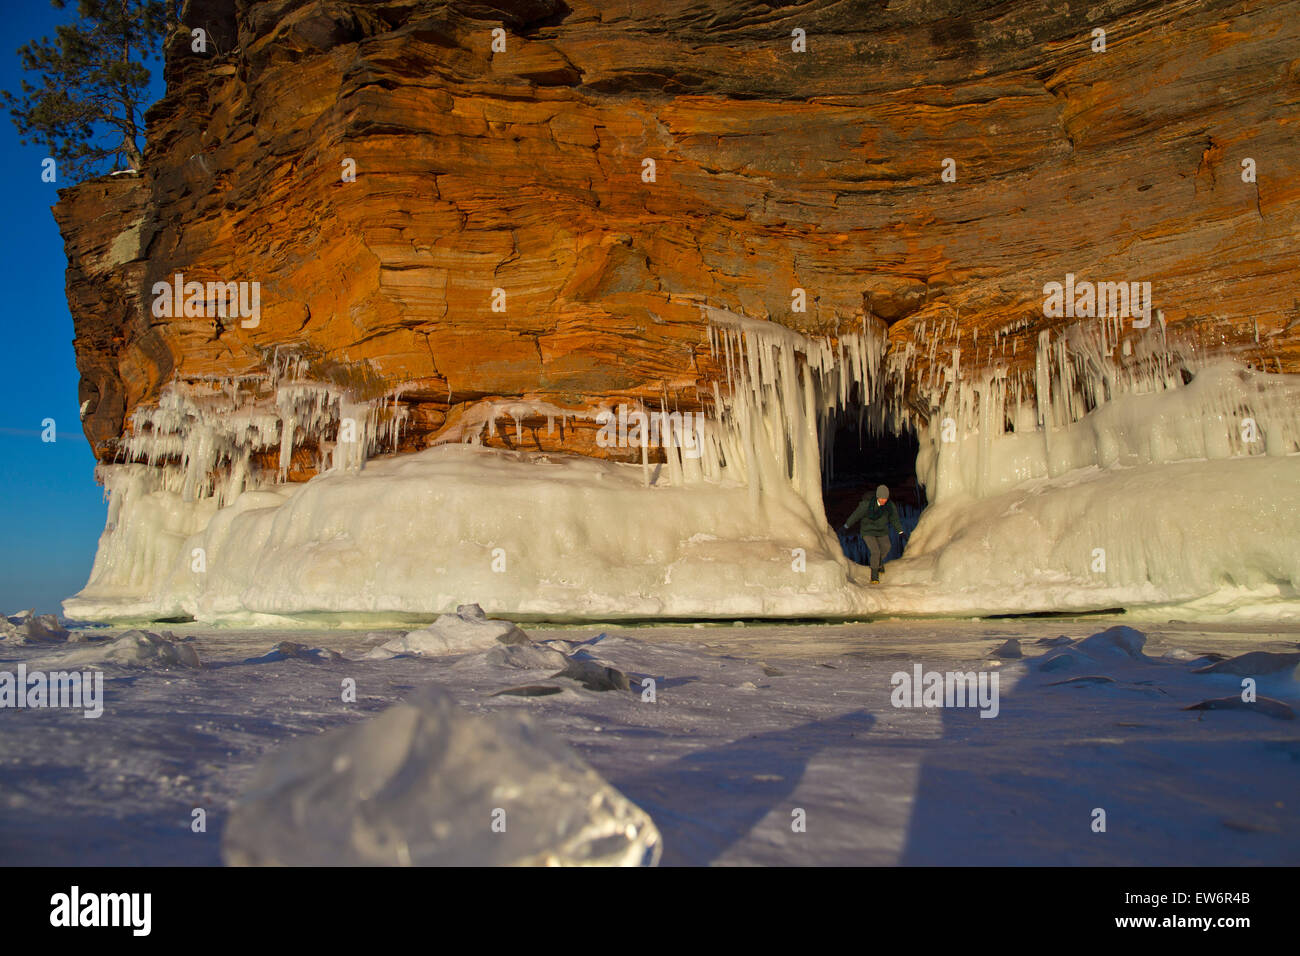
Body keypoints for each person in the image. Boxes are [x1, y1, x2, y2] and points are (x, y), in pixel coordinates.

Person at [843, 484, 905, 583]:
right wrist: (846, 526)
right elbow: (855, 515)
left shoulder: (889, 506)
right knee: (875, 551)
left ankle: (878, 563)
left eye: (885, 499)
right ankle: (874, 575)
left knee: (887, 547)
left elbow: (894, 519)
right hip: (868, 531)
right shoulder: (867, 505)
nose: (883, 501)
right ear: (877, 497)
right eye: (881, 498)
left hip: (881, 531)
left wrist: (900, 531)